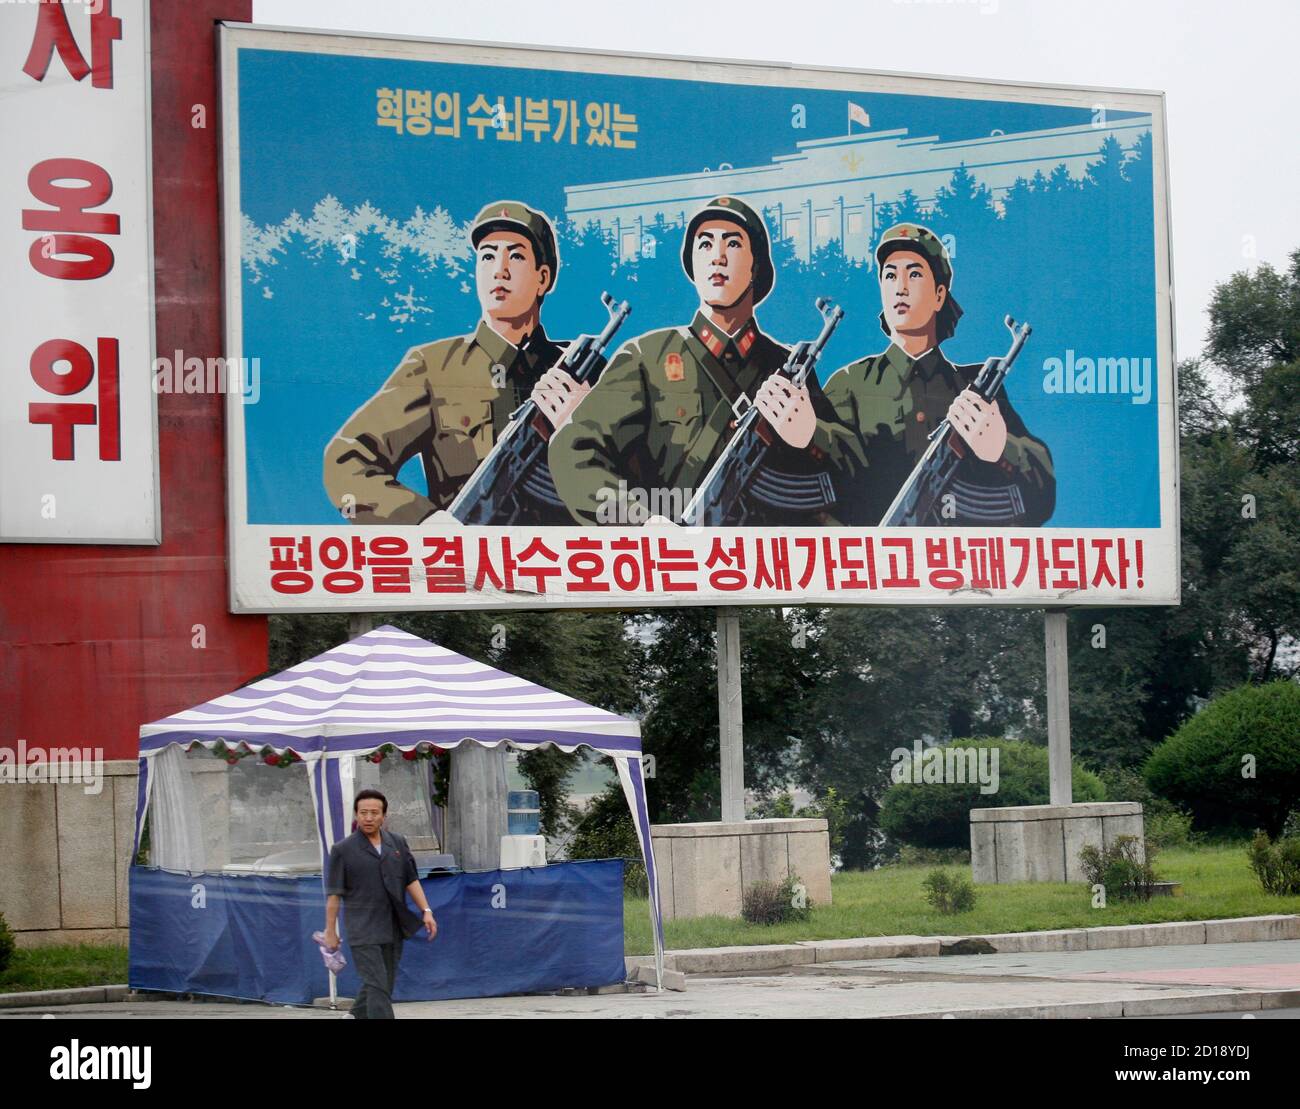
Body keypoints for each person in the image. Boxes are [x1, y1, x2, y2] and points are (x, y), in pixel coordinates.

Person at [549, 194, 841, 525]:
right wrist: (640, 523)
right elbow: (573, 451)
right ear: (693, 263)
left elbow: (855, 473)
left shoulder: (786, 368)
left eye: (732, 244)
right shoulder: (646, 358)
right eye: (704, 245)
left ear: (755, 265)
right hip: (671, 565)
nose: (717, 257)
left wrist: (810, 436)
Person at [323, 201, 587, 523]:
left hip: (564, 564)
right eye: (487, 256)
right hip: (472, 564)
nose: (498, 270)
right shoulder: (433, 367)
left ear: (543, 277)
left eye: (515, 256)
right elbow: (346, 459)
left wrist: (585, 419)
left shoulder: (579, 373)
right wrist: (424, 522)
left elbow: (635, 479)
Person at [812, 223, 1055, 526]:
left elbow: (1043, 489)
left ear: (940, 295)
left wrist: (999, 447)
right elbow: (817, 487)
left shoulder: (973, 390)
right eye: (890, 275)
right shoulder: (849, 384)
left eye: (914, 274)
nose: (900, 287)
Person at [323, 788, 437, 1020]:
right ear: (356, 815)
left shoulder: (396, 843)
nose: (368, 817)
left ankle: (354, 1016)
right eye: (363, 812)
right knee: (376, 983)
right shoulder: (343, 850)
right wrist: (330, 931)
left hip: (393, 925)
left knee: (383, 983)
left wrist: (426, 911)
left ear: (384, 816)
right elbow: (334, 894)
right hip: (362, 929)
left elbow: (411, 879)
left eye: (374, 813)